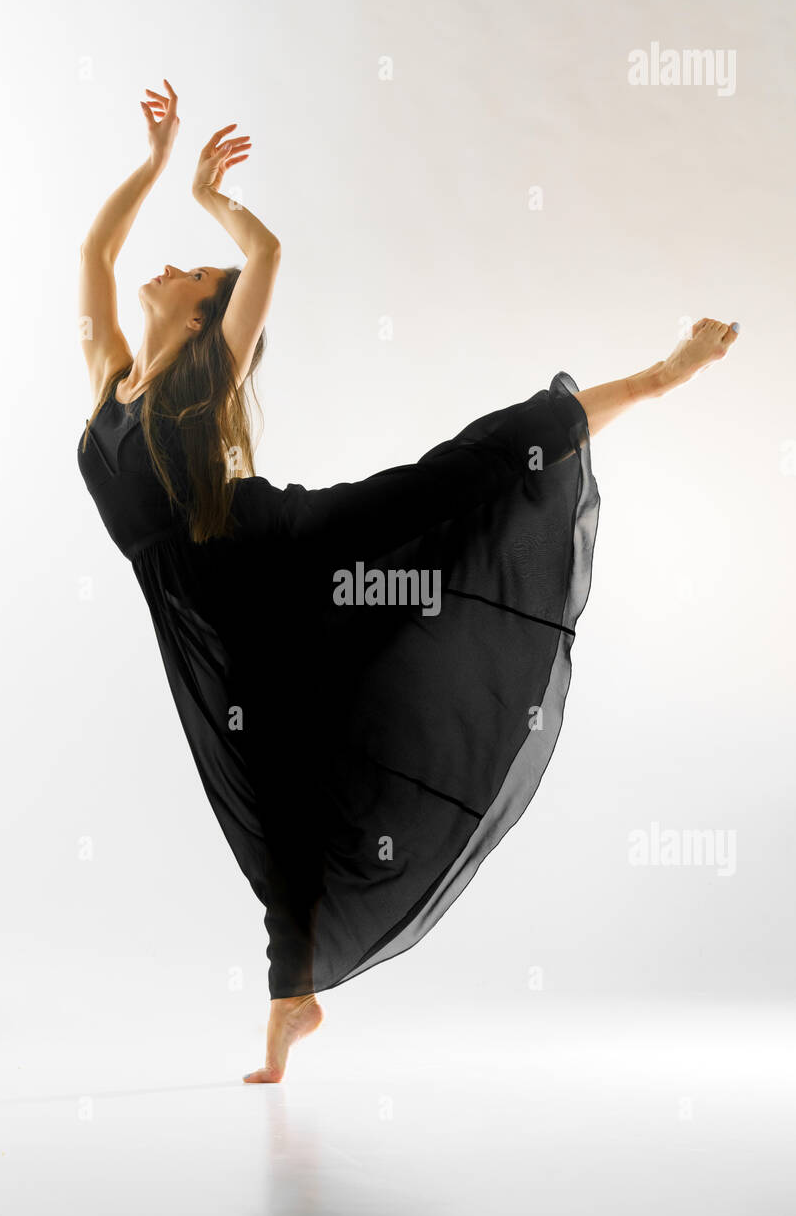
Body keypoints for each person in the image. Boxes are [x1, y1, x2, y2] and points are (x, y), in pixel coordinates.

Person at [77, 80, 739, 1082]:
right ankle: (291, 997)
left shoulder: (198, 381)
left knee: (450, 483)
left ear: (206, 314)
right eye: (176, 257)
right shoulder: (111, 377)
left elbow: (266, 257)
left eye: (188, 267)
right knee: (266, 778)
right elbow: (93, 255)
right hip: (194, 603)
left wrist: (218, 205)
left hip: (267, 548)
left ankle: (651, 378)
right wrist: (154, 163)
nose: (165, 263)